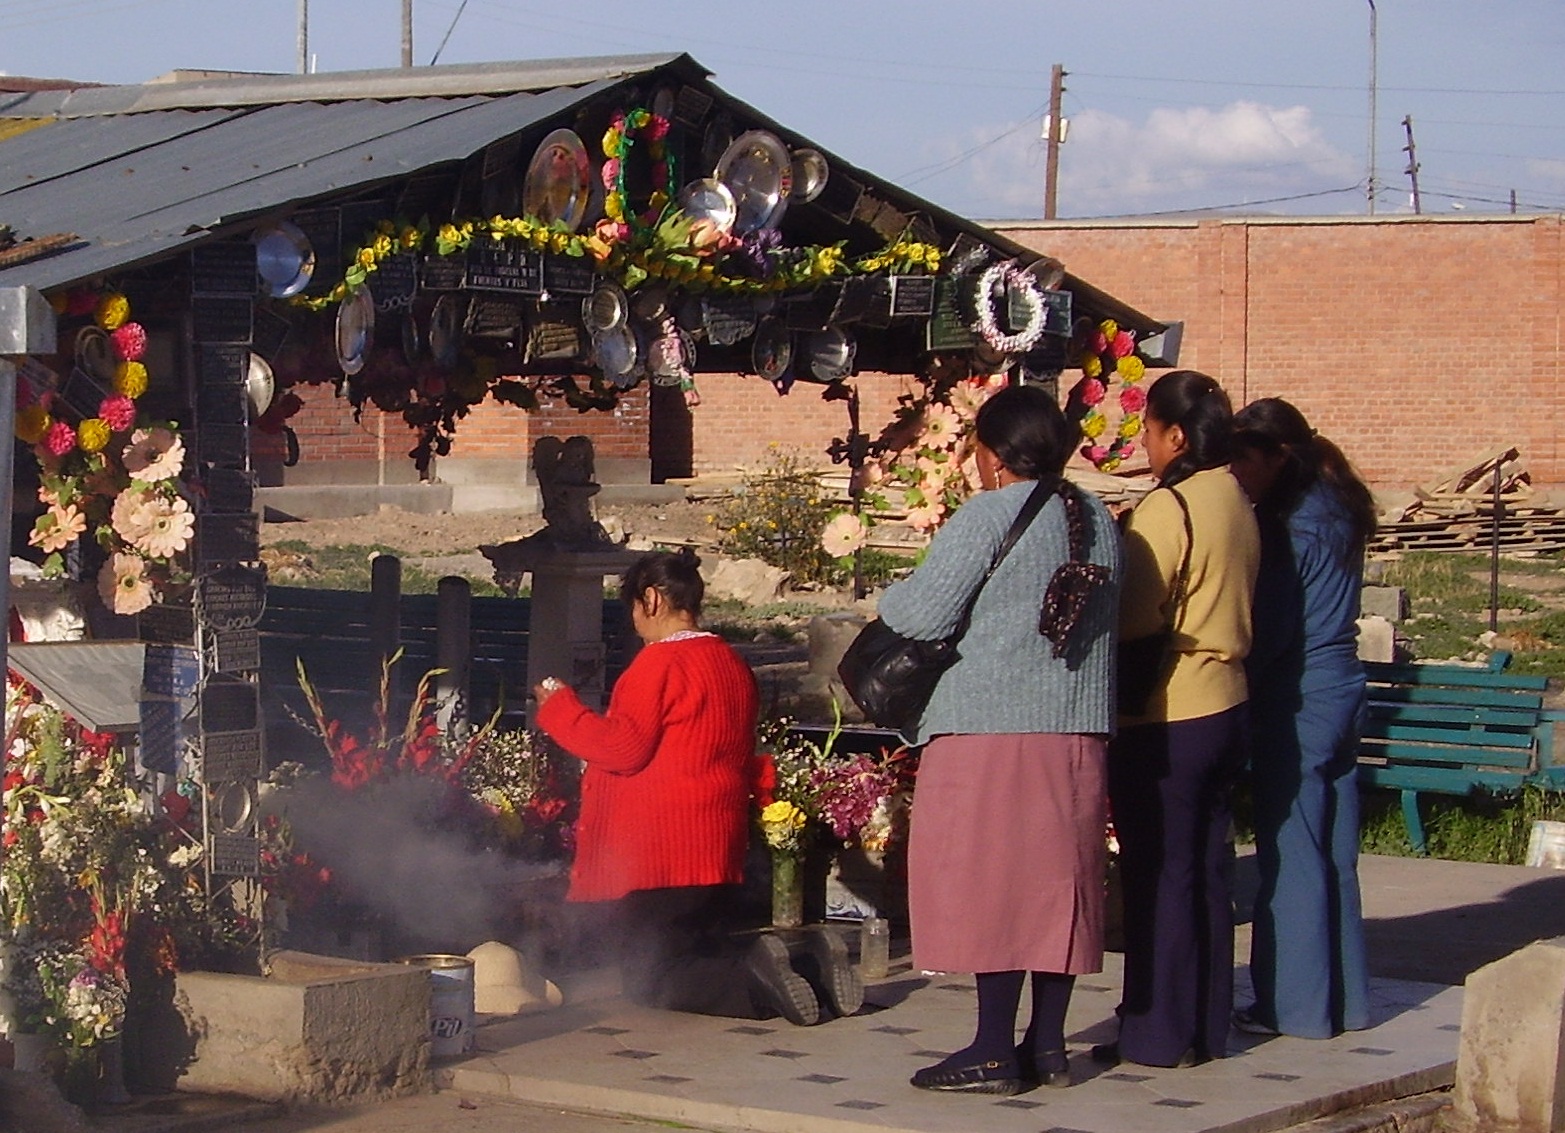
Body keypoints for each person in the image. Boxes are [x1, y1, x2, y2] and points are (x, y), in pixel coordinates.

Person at [874, 384, 1123, 1095]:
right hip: (1074, 728)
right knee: (1056, 886)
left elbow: (919, 613)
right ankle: (1045, 1045)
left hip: (989, 724)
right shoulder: (1097, 516)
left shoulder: (988, 513)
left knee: (990, 883)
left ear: (990, 452)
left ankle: (989, 1046)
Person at [533, 549, 858, 1026]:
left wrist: (560, 707)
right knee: (698, 946)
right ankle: (812, 970)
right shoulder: (729, 662)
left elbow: (623, 749)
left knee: (656, 979)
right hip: (715, 842)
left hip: (661, 849)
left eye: (632, 607)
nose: (634, 621)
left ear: (651, 599)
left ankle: (757, 980)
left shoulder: (659, 664)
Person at [1095, 370, 1260, 1069]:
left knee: (1156, 875)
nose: (1146, 445)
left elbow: (1138, 616)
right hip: (1229, 700)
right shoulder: (1235, 496)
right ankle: (1203, 1022)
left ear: (1176, 434)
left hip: (1169, 710)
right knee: (1205, 872)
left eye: (1149, 431)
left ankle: (1156, 1031)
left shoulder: (1169, 508)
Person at [1230, 398, 1376, 1039]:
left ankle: (1294, 1007)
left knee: (1291, 855)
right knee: (1335, 855)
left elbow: (1276, 633)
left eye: (1245, 458)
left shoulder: (1291, 527)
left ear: (1276, 457)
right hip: (1345, 687)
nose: (1236, 471)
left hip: (1300, 697)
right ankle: (1347, 1000)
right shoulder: (1340, 506)